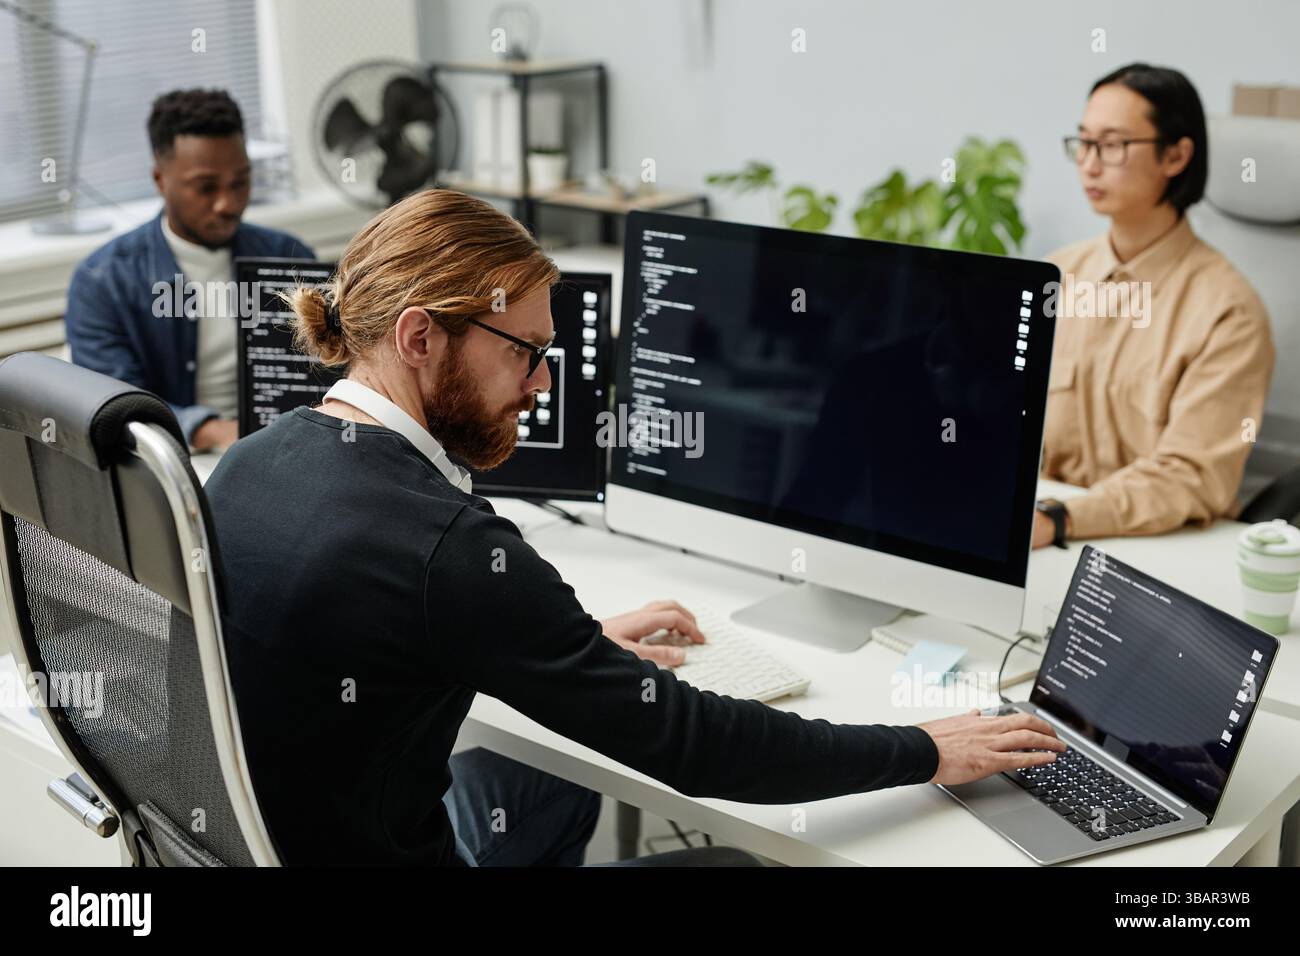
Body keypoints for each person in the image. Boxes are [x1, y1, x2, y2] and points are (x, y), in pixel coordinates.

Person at [205, 188, 1063, 866]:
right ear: (421, 337)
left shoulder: (251, 462)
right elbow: (700, 750)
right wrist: (922, 748)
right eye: (525, 352)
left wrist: (556, 645)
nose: (541, 385)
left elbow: (362, 640)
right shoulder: (450, 552)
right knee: (730, 866)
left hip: (284, 841)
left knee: (541, 783)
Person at [1033, 63, 1275, 549]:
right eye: (1082, 142)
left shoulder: (1229, 313)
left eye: (1114, 144)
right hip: (1045, 529)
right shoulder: (1057, 275)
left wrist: (1062, 519)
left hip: (1157, 546)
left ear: (1176, 156)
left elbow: (1190, 476)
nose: (1090, 163)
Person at [65, 89, 313, 452]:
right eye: (206, 187)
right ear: (160, 180)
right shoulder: (103, 282)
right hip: (172, 458)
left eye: (240, 182)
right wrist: (213, 432)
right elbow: (115, 405)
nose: (227, 204)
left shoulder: (290, 258)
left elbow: (331, 369)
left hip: (288, 445)